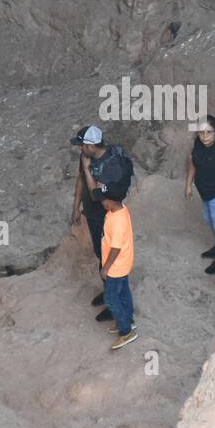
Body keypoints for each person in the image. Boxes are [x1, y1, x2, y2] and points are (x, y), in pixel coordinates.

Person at [69, 125, 132, 321]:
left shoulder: (112, 166)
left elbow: (96, 194)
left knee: (110, 260)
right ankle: (109, 293)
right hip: (93, 216)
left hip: (106, 218)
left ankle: (116, 303)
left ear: (91, 146)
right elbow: (80, 179)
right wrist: (76, 207)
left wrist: (88, 170)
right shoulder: (86, 157)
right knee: (101, 256)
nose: (80, 149)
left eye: (82, 145)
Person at [185, 115, 215, 265]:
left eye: (209, 132)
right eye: (201, 132)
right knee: (210, 221)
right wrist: (188, 184)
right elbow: (194, 163)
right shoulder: (198, 144)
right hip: (206, 194)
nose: (205, 136)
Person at [98, 189, 138, 350]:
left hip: (116, 266)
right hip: (124, 263)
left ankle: (126, 331)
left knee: (111, 299)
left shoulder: (117, 221)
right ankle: (128, 320)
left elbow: (116, 247)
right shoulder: (119, 209)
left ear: (112, 201)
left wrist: (105, 268)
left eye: (103, 200)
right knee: (123, 293)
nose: (101, 203)